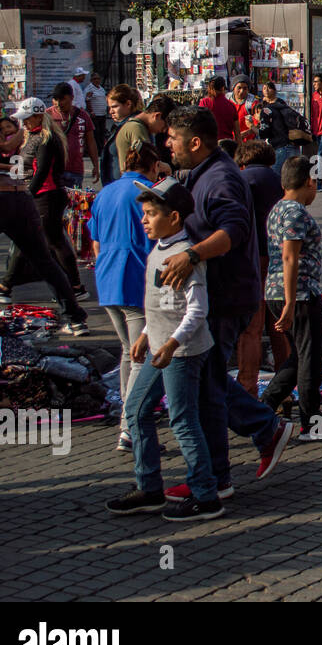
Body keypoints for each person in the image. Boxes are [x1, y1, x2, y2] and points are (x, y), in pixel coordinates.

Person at [160, 106, 294, 500]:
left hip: (225, 297)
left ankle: (238, 454)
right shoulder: (202, 175)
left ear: (195, 142)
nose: (168, 143)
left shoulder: (219, 178)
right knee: (209, 383)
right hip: (214, 297)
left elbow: (233, 229)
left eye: (173, 138)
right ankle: (228, 464)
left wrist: (193, 255)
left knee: (207, 389)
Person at [105, 177, 224, 522]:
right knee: (136, 410)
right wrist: (145, 333)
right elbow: (160, 304)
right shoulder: (157, 250)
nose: (144, 220)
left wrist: (172, 342)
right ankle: (149, 489)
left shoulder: (185, 256)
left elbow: (197, 311)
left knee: (183, 420)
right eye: (143, 214)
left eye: (151, 214)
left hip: (181, 352)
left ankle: (206, 495)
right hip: (161, 347)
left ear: (174, 218)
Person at [0, 98, 88, 333]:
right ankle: (75, 319)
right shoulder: (18, 135)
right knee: (45, 261)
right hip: (20, 197)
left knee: (48, 251)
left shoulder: (39, 137)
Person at [259, 156, 322, 442]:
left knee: (301, 356)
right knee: (311, 358)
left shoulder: (277, 209)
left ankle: (264, 407)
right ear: (309, 181)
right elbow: (289, 257)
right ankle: (312, 424)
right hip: (299, 294)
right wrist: (290, 301)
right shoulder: (295, 212)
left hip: (283, 292)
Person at [89, 141, 158, 452]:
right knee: (141, 355)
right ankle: (131, 426)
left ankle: (127, 423)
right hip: (135, 278)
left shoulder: (105, 192)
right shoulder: (148, 192)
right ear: (153, 165)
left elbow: (95, 240)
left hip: (107, 278)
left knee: (129, 352)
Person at [233, 140, 290, 397]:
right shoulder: (279, 181)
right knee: (279, 325)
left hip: (251, 258)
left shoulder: (240, 179)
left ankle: (248, 387)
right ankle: (285, 388)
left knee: (251, 329)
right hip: (279, 258)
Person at [48, 82, 98, 189]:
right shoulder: (47, 116)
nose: (58, 103)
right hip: (53, 170)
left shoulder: (82, 115)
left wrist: (96, 166)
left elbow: (91, 142)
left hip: (76, 170)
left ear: (71, 98)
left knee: (74, 204)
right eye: (55, 99)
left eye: (62, 99)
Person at [117, 95, 174, 178]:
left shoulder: (139, 127)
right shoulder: (137, 128)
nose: (164, 130)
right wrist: (166, 168)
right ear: (157, 116)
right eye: (165, 126)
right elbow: (147, 160)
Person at [102, 84, 143, 185]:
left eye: (115, 107)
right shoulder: (120, 126)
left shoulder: (134, 126)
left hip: (127, 185)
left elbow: (141, 159)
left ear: (128, 104)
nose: (111, 111)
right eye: (110, 107)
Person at [257, 81, 302, 172]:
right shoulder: (278, 104)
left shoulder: (271, 108)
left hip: (282, 146)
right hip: (288, 145)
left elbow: (264, 132)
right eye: (264, 88)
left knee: (276, 175)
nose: (266, 90)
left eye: (269, 88)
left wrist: (252, 127)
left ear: (274, 90)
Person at [199, 76, 237, 142]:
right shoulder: (231, 105)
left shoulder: (205, 103)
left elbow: (199, 126)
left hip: (210, 144)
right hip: (228, 144)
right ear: (223, 88)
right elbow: (237, 133)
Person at [86, 72, 109, 151]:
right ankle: (97, 149)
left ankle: (102, 148)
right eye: (95, 79)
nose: (97, 80)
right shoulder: (90, 88)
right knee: (96, 133)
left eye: (98, 78)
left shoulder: (101, 88)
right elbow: (87, 100)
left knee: (102, 132)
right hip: (95, 115)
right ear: (91, 80)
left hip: (102, 114)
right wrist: (91, 111)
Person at [232, 76, 259, 142]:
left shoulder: (253, 103)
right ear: (233, 88)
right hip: (230, 141)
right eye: (239, 88)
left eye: (245, 88)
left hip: (248, 142)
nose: (242, 91)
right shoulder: (227, 101)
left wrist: (247, 133)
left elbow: (259, 124)